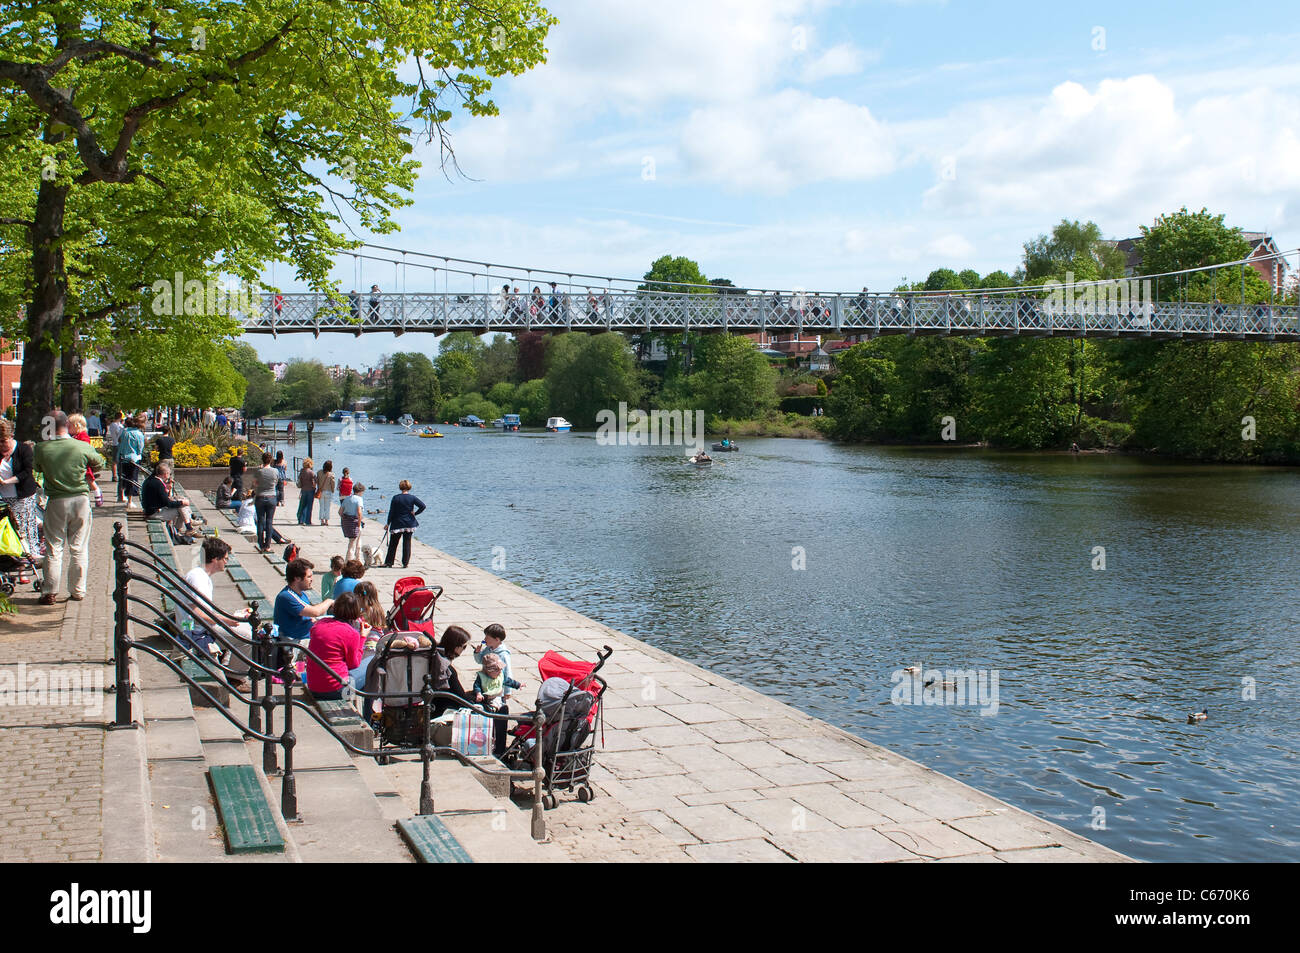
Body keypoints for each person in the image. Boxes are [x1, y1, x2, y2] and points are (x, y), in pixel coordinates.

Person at [33, 411, 105, 604]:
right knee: (79, 547)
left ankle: (49, 591)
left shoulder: (41, 448)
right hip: (80, 499)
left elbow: (37, 468)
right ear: (67, 424)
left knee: (53, 547)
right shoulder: (81, 446)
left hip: (56, 501)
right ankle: (78, 590)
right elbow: (100, 463)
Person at [175, 537, 253, 687]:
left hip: (195, 626)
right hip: (194, 631)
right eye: (225, 558)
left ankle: (227, 663)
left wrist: (229, 617)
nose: (226, 562)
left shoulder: (199, 575)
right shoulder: (198, 578)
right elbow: (198, 614)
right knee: (247, 636)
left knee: (243, 626)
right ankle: (234, 677)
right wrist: (225, 620)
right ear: (215, 559)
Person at [305, 592, 368, 701]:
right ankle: (369, 715)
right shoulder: (351, 633)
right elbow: (354, 664)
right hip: (337, 690)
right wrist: (362, 637)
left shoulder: (319, 624)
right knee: (371, 663)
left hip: (314, 686)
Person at [0, 418, 41, 559]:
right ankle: (11, 558)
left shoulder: (23, 449)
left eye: (3, 441)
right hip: (3, 498)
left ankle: (29, 557)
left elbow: (26, 472)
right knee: (8, 530)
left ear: (11, 437)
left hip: (22, 495)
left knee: (24, 528)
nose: (1, 445)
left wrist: (7, 482)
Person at [273, 558, 334, 643]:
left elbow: (310, 615)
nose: (312, 579)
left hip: (306, 635)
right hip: (296, 641)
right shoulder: (287, 596)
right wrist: (330, 601)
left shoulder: (301, 594)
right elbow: (315, 612)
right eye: (309, 577)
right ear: (297, 578)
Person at [473, 653, 522, 758]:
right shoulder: (481, 677)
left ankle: (500, 748)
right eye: (497, 670)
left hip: (498, 699)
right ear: (489, 671)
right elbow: (476, 687)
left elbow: (508, 681)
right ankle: (487, 745)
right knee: (488, 722)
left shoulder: (501, 675)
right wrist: (478, 694)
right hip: (486, 700)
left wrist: (518, 685)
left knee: (502, 718)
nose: (500, 672)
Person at [141, 461, 202, 540]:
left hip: (152, 509)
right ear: (165, 474)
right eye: (169, 474)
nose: (169, 476)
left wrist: (168, 489)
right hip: (154, 513)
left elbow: (162, 498)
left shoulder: (151, 480)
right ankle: (188, 527)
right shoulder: (158, 484)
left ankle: (187, 525)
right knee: (182, 507)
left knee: (181, 500)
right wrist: (182, 502)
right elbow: (167, 503)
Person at [383, 479, 425, 569]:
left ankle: (389, 562)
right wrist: (415, 513)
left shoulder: (396, 498)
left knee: (393, 543)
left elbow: (392, 512)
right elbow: (423, 506)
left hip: (397, 523)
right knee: (407, 543)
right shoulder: (412, 497)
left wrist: (388, 523)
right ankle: (405, 563)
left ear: (400, 487)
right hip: (409, 523)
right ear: (409, 487)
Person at [473, 623, 517, 707]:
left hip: (498, 686)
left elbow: (508, 672)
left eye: (487, 637)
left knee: (499, 704)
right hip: (486, 683)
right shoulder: (488, 649)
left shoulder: (503, 655)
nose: (484, 639)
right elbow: (480, 660)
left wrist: (508, 691)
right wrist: (477, 653)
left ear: (497, 639)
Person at [67, 414, 104, 506]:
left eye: (69, 426)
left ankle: (97, 493)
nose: (67, 428)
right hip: (76, 462)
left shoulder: (83, 436)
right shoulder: (74, 436)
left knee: (90, 479)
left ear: (76, 426)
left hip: (83, 463)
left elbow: (84, 448)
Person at [117, 414, 146, 509]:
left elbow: (119, 442)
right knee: (132, 479)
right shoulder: (139, 434)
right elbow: (140, 448)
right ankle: (129, 501)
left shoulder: (125, 431)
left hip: (123, 457)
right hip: (134, 458)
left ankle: (122, 496)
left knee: (124, 478)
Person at [254, 451, 279, 552]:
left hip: (260, 497)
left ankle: (261, 544)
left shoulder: (259, 471)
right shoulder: (275, 471)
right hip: (271, 497)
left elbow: (255, 484)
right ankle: (268, 545)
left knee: (260, 521)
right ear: (271, 460)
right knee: (269, 521)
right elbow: (276, 482)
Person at [338, 482, 365, 563]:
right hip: (355, 522)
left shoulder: (346, 499)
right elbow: (359, 512)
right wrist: (359, 523)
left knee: (352, 541)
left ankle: (354, 560)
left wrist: (345, 519)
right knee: (354, 544)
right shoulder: (359, 499)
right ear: (360, 491)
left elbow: (340, 512)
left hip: (347, 523)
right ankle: (350, 561)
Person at [104, 410, 123, 488]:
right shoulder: (115, 425)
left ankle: (117, 474)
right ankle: (115, 475)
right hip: (117, 443)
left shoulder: (116, 424)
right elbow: (118, 434)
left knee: (117, 460)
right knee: (115, 460)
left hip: (117, 443)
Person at [296, 457, 316, 525]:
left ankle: (301, 520)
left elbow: (299, 480)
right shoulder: (311, 472)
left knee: (303, 505)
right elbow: (314, 482)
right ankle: (308, 520)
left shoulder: (302, 471)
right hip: (310, 490)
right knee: (309, 506)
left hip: (303, 490)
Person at [317, 460, 336, 526]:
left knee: (321, 506)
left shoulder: (319, 472)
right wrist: (333, 490)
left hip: (321, 491)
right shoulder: (331, 474)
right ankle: (326, 520)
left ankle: (322, 520)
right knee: (327, 507)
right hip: (328, 491)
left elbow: (317, 481)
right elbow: (332, 483)